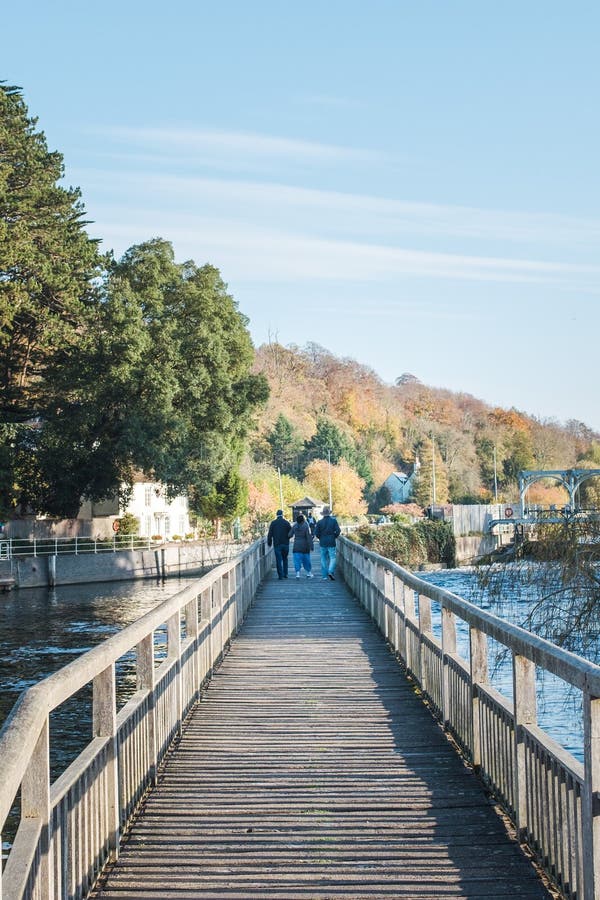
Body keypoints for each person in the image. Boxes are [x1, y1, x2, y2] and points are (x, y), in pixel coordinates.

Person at [315, 506, 341, 580]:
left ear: (323, 514)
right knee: (332, 557)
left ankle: (324, 576)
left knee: (323, 558)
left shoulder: (319, 522)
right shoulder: (333, 521)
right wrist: (334, 536)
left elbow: (316, 533)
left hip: (323, 542)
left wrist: (320, 538)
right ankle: (330, 571)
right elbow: (338, 531)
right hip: (331, 541)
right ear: (329, 513)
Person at [266, 509, 292, 579]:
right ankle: (285, 574)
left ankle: (280, 575)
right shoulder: (286, 523)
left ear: (276, 515)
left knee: (278, 560)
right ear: (282, 515)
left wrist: (269, 542)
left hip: (277, 544)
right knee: (285, 559)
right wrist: (288, 538)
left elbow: (270, 534)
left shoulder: (273, 523)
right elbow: (291, 532)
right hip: (285, 544)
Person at [289, 513, 314, 578]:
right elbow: (309, 537)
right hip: (305, 546)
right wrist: (311, 546)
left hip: (296, 546)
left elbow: (289, 535)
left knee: (297, 560)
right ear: (303, 520)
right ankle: (309, 573)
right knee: (306, 560)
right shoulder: (306, 526)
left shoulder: (294, 526)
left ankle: (298, 573)